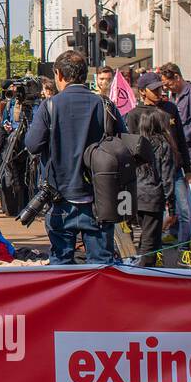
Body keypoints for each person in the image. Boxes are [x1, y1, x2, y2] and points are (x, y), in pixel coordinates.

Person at [25, 50, 126, 265]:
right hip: (100, 196)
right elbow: (123, 144)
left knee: (61, 265)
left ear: (59, 75)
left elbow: (32, 145)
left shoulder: (50, 106)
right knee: (101, 264)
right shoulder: (105, 105)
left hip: (60, 195)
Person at [133, 71, 191, 254]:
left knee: (185, 213)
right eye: (154, 89)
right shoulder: (135, 114)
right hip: (149, 175)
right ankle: (154, 251)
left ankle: (184, 250)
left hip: (174, 169)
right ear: (143, 92)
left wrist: (188, 168)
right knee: (155, 215)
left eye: (160, 88)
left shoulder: (171, 108)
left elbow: (181, 140)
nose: (159, 92)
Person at [125, 105, 179, 266]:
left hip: (135, 195)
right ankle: (144, 272)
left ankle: (140, 265)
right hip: (153, 197)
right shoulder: (163, 145)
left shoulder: (136, 144)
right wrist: (172, 205)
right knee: (151, 240)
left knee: (146, 235)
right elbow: (167, 177)